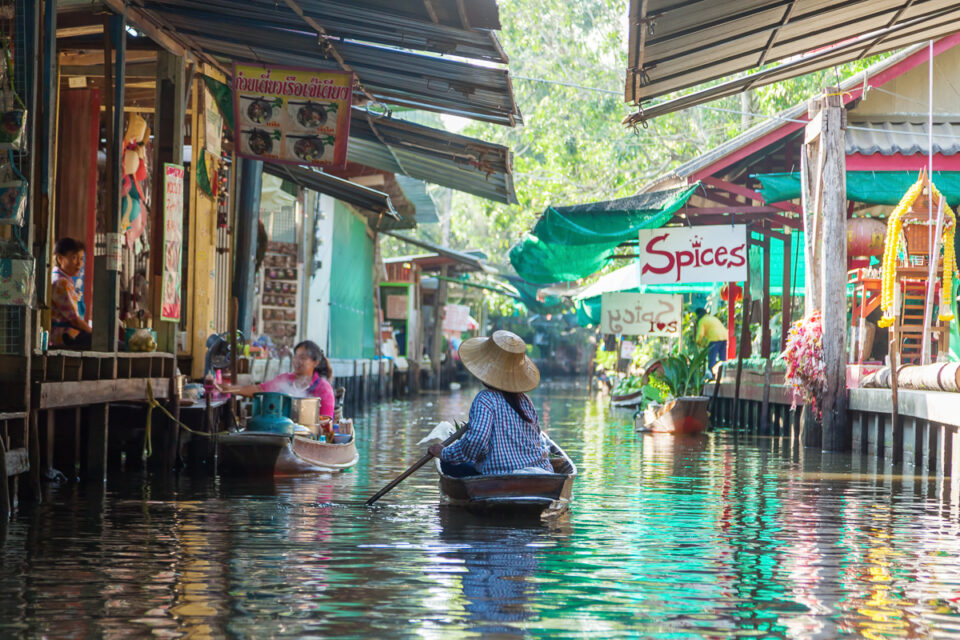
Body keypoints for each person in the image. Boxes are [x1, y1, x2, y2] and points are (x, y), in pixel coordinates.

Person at [427, 330, 552, 477]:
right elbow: (537, 439)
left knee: (446, 463)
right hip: (541, 471)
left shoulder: (485, 399)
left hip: (500, 475)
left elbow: (477, 442)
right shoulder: (525, 401)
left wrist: (444, 452)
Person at [220, 340, 335, 418]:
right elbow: (260, 389)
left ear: (315, 363)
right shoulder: (285, 379)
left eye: (303, 358)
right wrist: (231, 389)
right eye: (296, 356)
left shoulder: (323, 388)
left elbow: (326, 420)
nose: (297, 361)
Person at [50, 237, 93, 350]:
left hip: (63, 334)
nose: (79, 263)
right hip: (64, 335)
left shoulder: (58, 278)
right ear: (60, 258)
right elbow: (75, 320)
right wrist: (94, 333)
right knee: (105, 343)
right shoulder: (61, 283)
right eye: (74, 258)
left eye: (81, 258)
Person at [695, 307, 727, 379]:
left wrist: (698, 343)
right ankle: (723, 375)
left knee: (712, 358)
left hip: (714, 338)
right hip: (724, 337)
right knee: (723, 358)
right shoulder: (712, 318)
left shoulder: (702, 321)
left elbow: (700, 335)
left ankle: (712, 376)